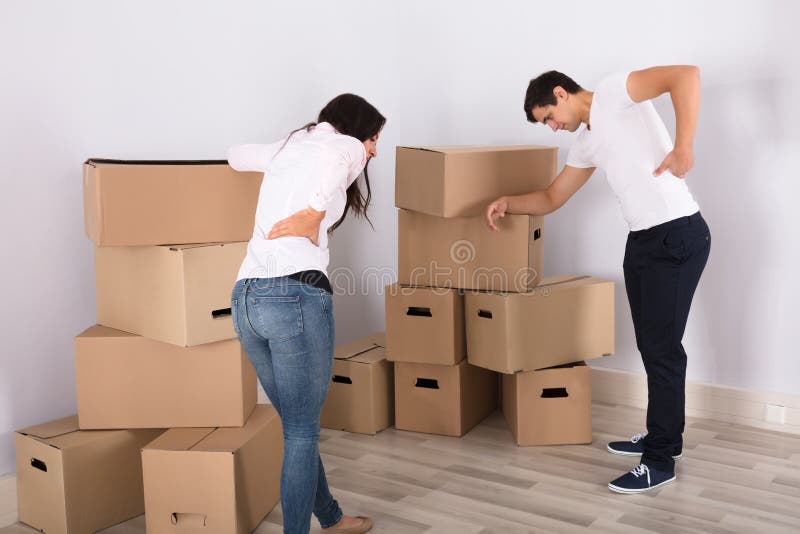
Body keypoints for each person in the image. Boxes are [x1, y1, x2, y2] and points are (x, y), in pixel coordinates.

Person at [486, 66, 710, 494]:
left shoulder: (615, 91)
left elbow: (686, 76)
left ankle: (659, 460)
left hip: (678, 233)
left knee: (662, 350)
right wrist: (507, 203)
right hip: (642, 240)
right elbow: (553, 197)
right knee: (653, 345)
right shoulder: (585, 142)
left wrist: (683, 146)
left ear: (560, 93)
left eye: (548, 117)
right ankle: (668, 437)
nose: (553, 128)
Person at [228, 93, 384, 532]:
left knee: (297, 428)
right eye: (374, 137)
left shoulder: (290, 147)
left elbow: (235, 156)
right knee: (301, 433)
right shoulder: (345, 147)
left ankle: (331, 519)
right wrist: (313, 215)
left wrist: (283, 153)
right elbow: (345, 159)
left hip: (246, 300)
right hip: (294, 299)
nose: (373, 150)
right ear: (357, 130)